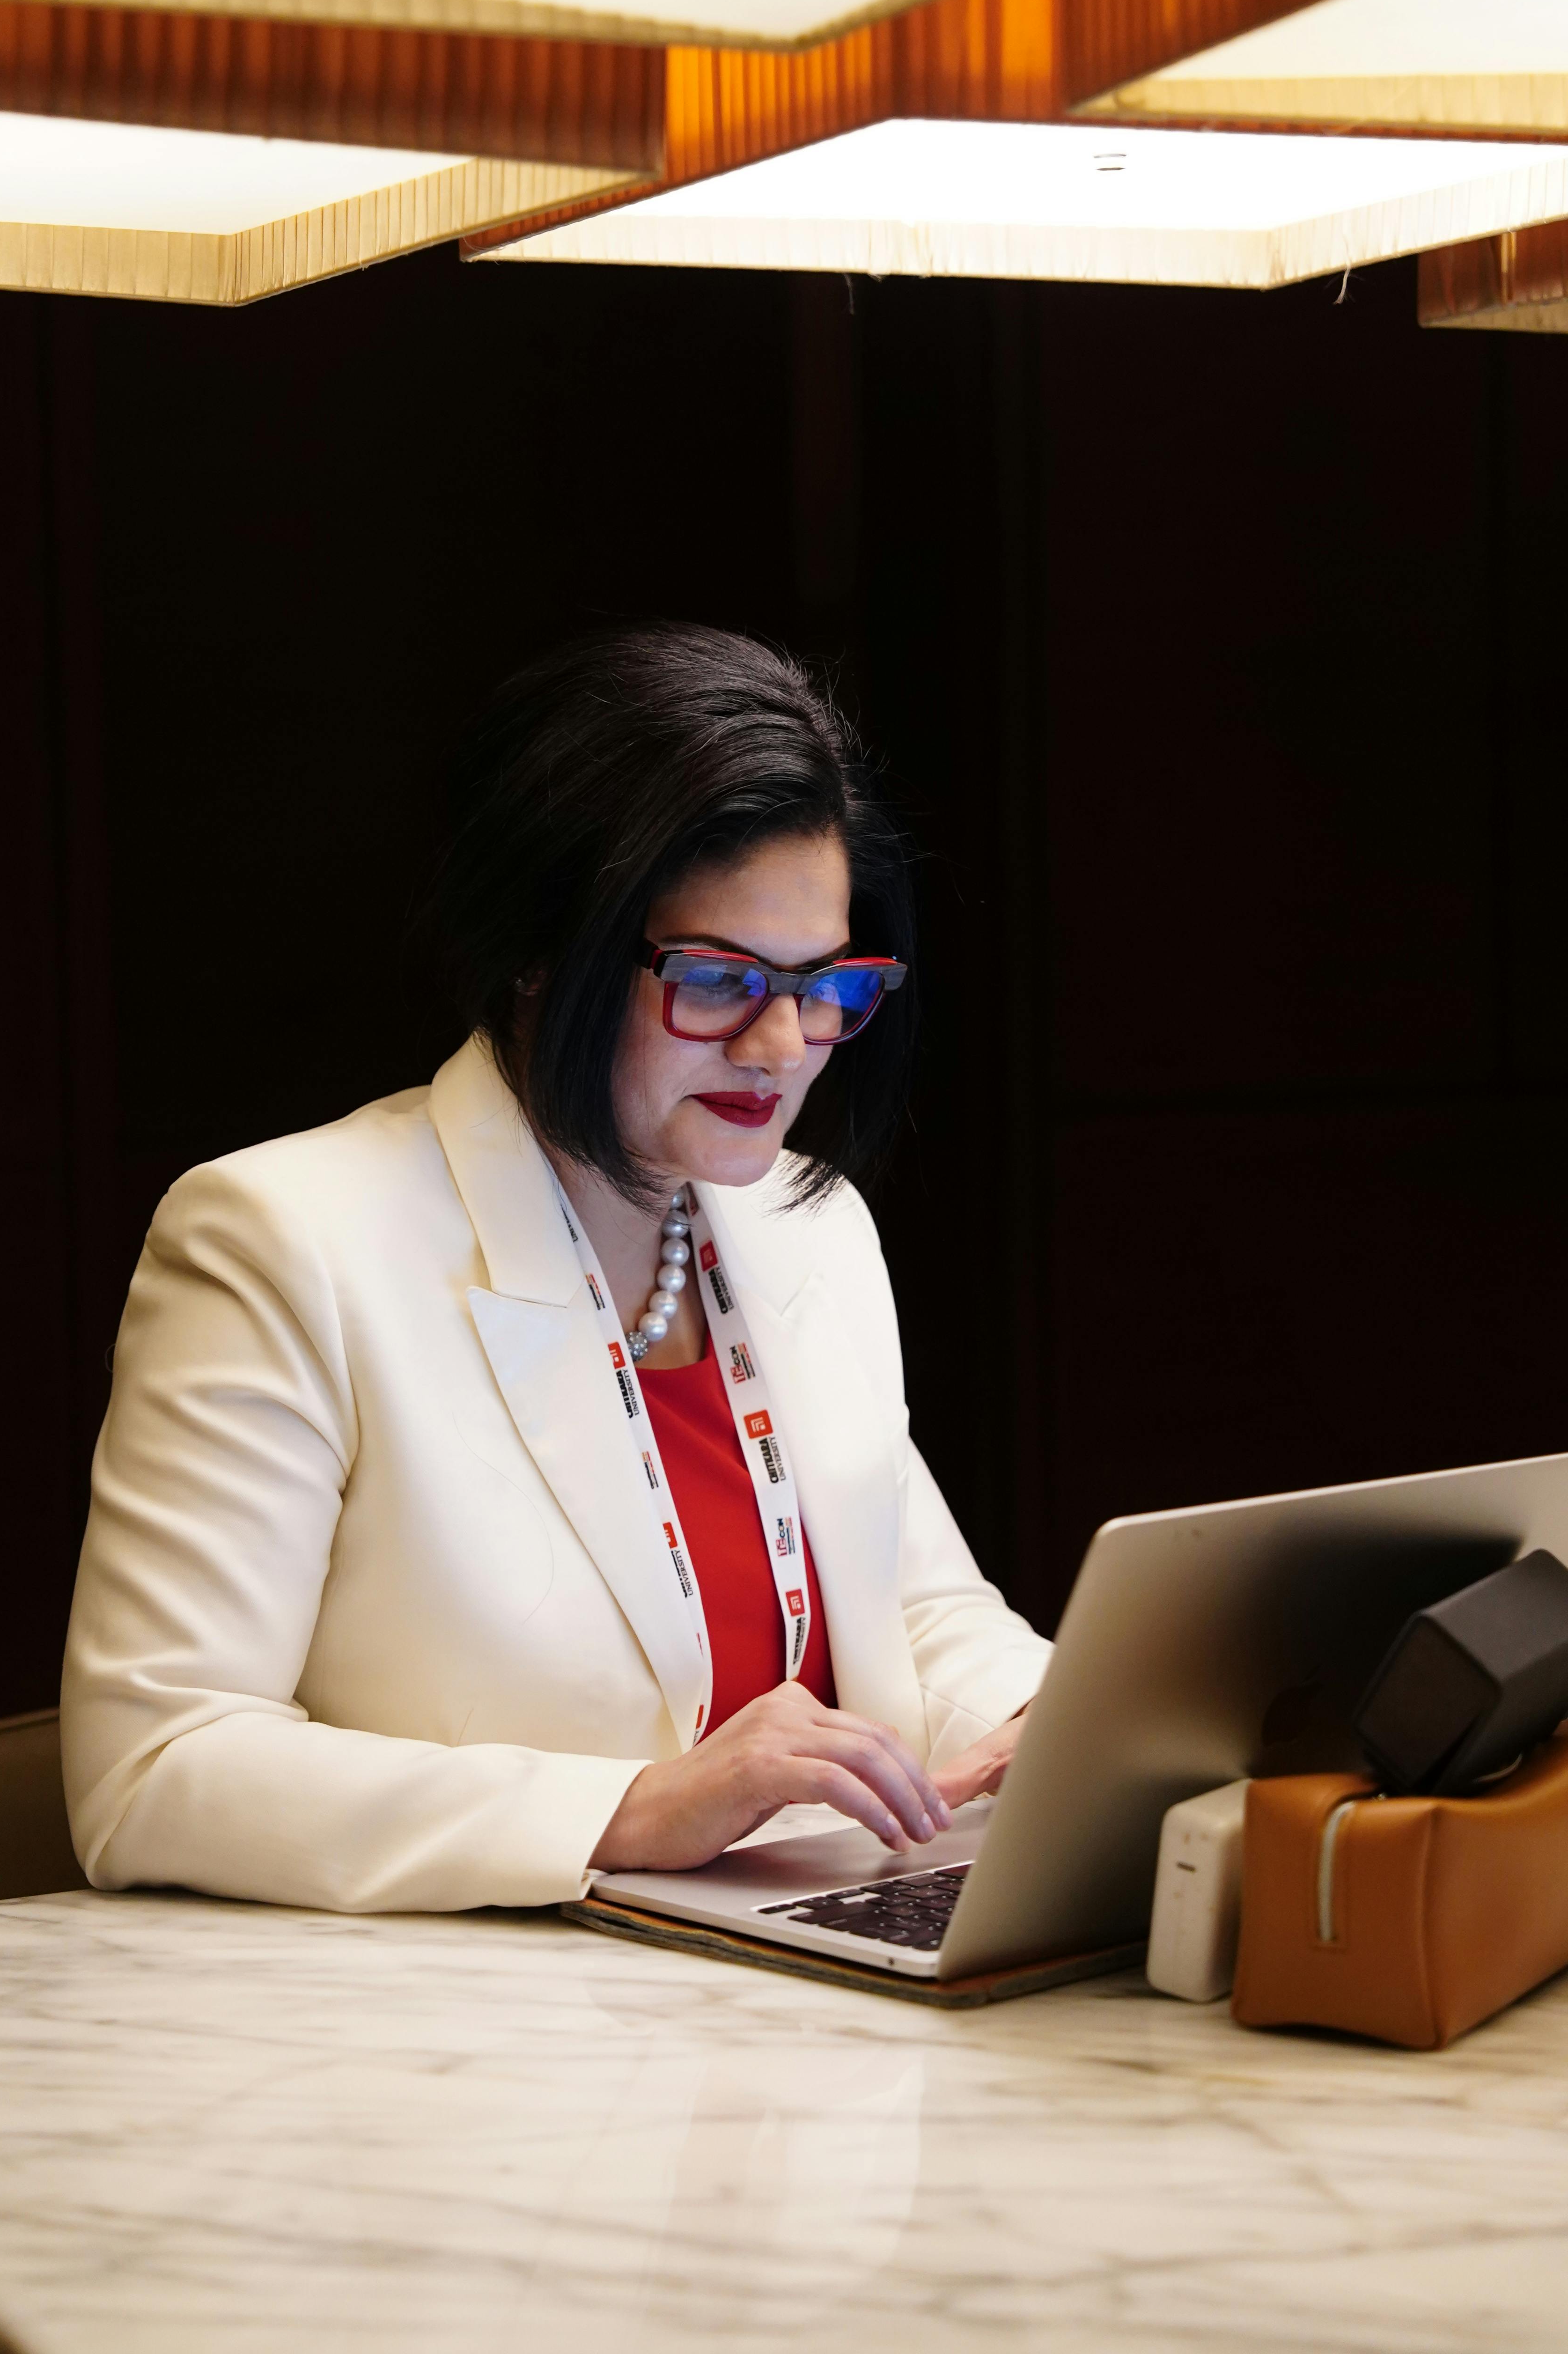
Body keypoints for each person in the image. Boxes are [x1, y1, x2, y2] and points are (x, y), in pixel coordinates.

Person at [62, 625, 1051, 1913]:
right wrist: (629, 1810)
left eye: (826, 987)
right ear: (541, 951)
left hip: (786, 1988)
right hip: (456, 2048)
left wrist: (1062, 1724)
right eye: (715, 980)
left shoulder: (808, 1231)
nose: (782, 1045)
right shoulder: (282, 1240)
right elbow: (153, 1767)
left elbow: (916, 1615)